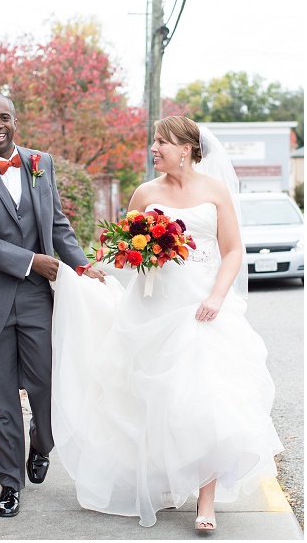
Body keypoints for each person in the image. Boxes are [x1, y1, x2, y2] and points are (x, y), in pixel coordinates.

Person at [49, 116, 284, 530]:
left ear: (187, 148)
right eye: (154, 142)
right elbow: (121, 246)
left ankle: (205, 503)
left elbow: (232, 251)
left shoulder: (215, 191)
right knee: (153, 400)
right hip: (152, 309)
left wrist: (216, 297)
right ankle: (162, 482)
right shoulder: (146, 192)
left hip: (202, 309)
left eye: (162, 142)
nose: (154, 149)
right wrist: (102, 264)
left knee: (208, 401)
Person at [0, 93, 106, 518]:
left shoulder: (41, 162)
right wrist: (30, 260)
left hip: (38, 297)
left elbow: (56, 220)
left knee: (49, 385)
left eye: (3, 118)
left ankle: (42, 441)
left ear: (15, 121)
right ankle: (10, 483)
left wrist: (81, 264)